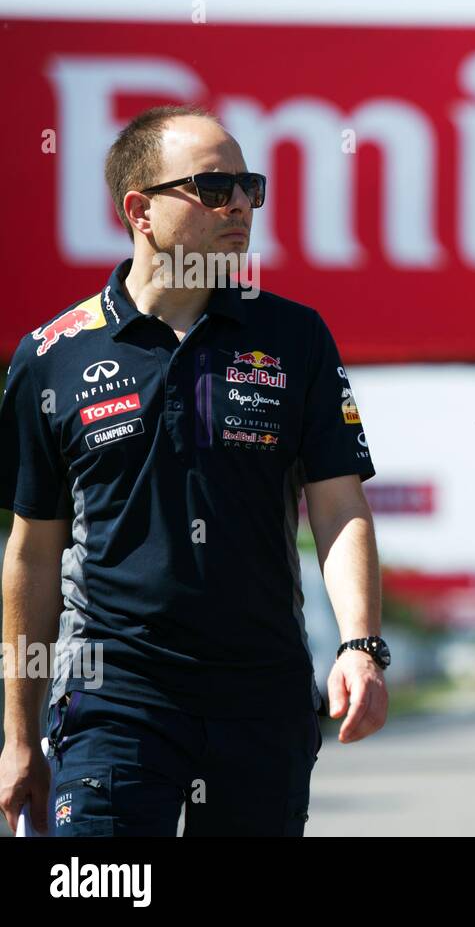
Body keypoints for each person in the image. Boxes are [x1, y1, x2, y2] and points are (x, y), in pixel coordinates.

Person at [0, 105, 389, 837]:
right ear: (140, 210)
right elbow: (32, 554)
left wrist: (361, 644)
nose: (240, 203)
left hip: (262, 697)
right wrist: (19, 734)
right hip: (112, 699)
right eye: (213, 187)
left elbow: (339, 508)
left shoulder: (294, 336)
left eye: (249, 185)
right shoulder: (52, 354)